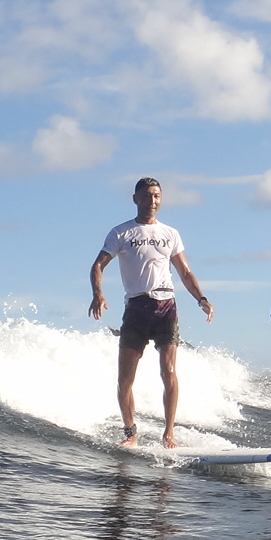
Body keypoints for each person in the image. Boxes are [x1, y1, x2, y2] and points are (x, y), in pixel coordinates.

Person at [89, 178, 213, 449]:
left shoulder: (171, 233)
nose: (152, 201)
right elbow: (98, 265)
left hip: (166, 306)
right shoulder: (121, 233)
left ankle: (169, 434)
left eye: (157, 196)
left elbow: (185, 271)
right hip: (136, 308)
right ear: (135, 199)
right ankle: (131, 432)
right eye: (147, 196)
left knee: (168, 371)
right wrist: (98, 294)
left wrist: (201, 298)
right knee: (125, 378)